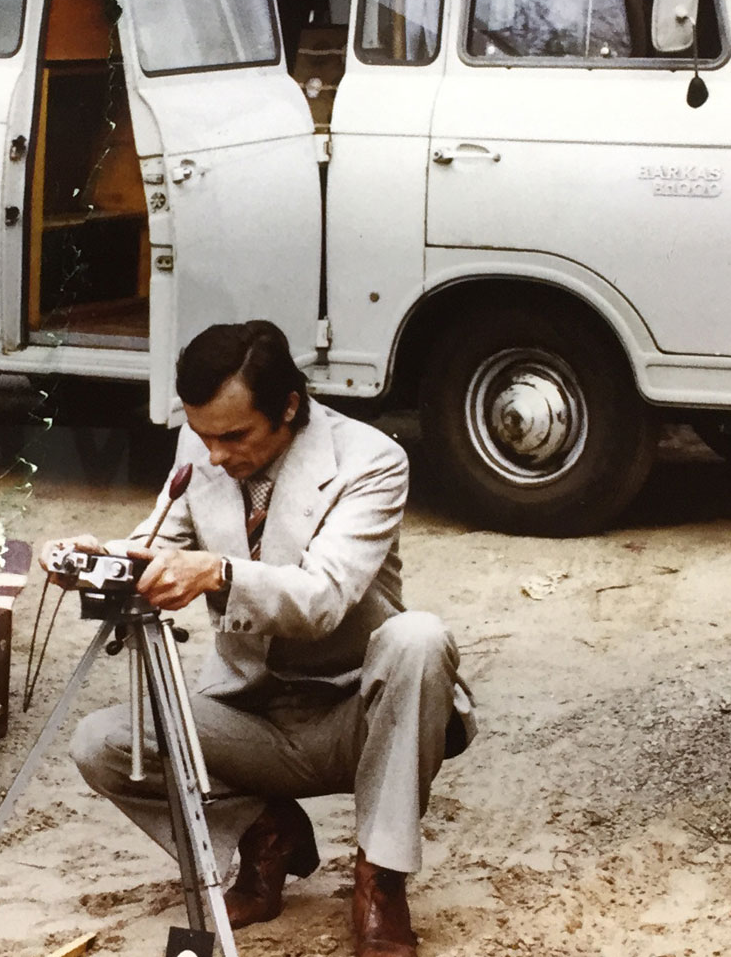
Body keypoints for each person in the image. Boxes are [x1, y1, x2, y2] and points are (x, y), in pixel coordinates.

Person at [54, 321, 473, 957]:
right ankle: (266, 837)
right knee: (100, 744)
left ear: (290, 407)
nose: (215, 456)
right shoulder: (202, 450)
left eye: (233, 437)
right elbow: (159, 544)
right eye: (201, 436)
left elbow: (325, 597)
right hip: (252, 715)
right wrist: (99, 558)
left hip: (359, 715)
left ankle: (380, 883)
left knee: (419, 638)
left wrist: (217, 572)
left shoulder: (372, 461)